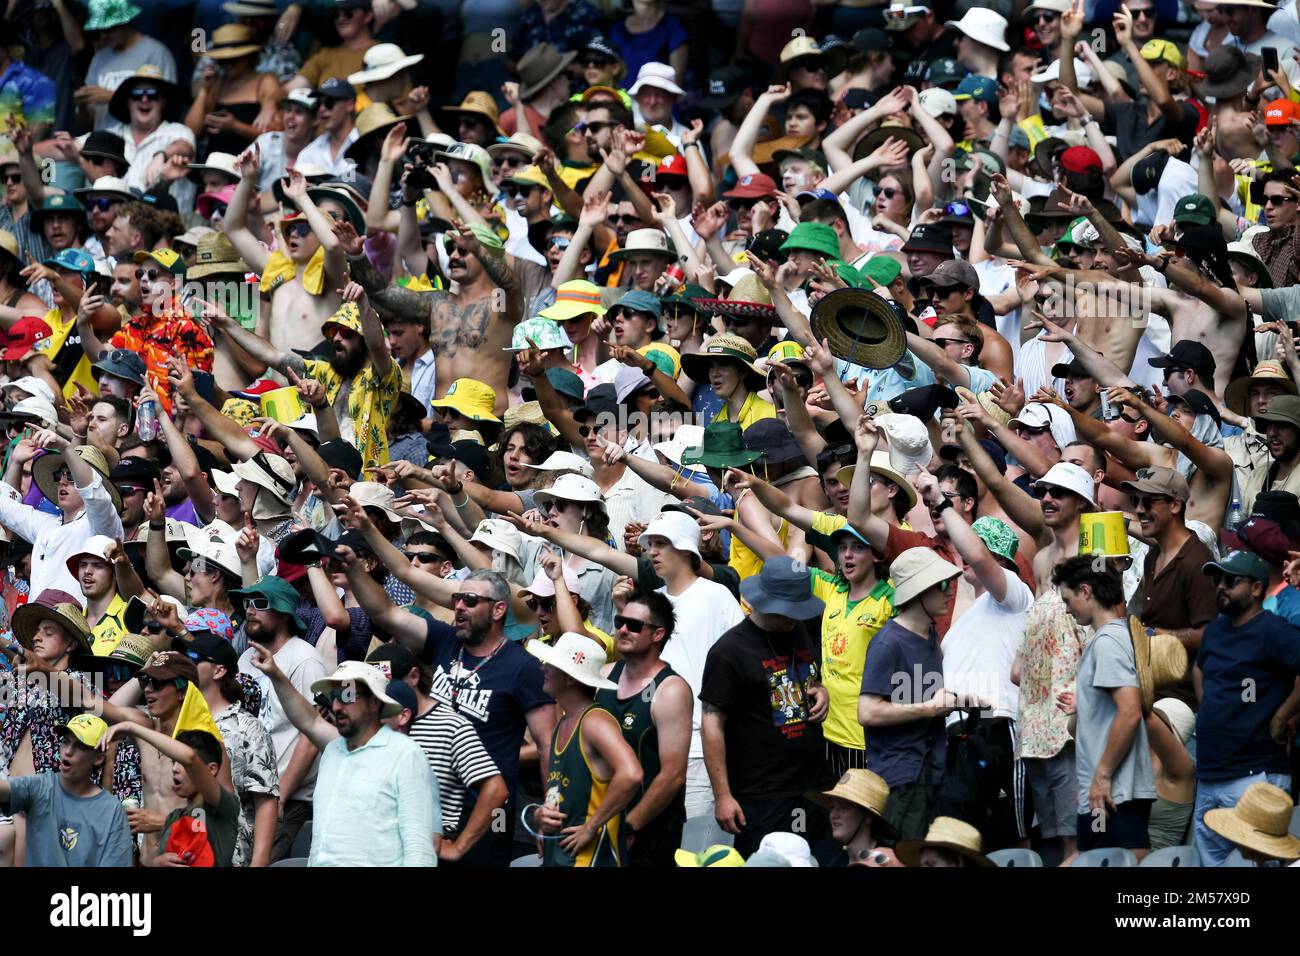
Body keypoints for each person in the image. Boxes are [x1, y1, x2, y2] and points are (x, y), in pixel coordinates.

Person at [346, 566, 556, 867]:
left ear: (498, 609)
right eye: (456, 599)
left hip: (485, 809)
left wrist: (548, 810)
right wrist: (352, 566)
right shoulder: (445, 641)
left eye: (469, 600)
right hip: (429, 802)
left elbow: (548, 744)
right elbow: (385, 613)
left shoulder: (523, 667)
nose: (458, 606)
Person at [700, 557, 833, 857]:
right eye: (786, 611)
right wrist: (722, 795)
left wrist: (821, 692)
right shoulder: (728, 652)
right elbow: (712, 724)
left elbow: (810, 677)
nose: (792, 617)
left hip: (816, 788)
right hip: (763, 797)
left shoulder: (798, 630)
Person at [249, 653, 437, 866]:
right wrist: (276, 674)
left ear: (375, 702)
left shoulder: (406, 754)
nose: (337, 706)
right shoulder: (332, 751)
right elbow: (308, 719)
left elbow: (419, 850)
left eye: (348, 695)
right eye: (334, 696)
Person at [1193, 549, 1300, 866]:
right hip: (1211, 773)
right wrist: (1209, 708)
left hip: (1254, 774)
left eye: (1230, 580)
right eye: (1217, 579)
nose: (1221, 586)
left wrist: (1284, 716)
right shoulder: (1215, 630)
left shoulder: (1274, 630)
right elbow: (1199, 668)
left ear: (1256, 588)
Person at [859, 547, 968, 841]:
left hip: (932, 772)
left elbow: (924, 694)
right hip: (899, 778)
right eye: (941, 585)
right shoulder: (888, 643)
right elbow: (867, 712)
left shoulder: (930, 634)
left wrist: (964, 702)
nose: (949, 591)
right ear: (919, 591)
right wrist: (930, 709)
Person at [1053, 556, 1156, 861]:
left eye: (1068, 599)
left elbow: (1130, 711)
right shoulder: (1108, 639)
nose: (1067, 609)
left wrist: (1103, 775)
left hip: (1114, 792)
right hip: (1102, 792)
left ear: (1086, 590)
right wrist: (1082, 706)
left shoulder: (1109, 641)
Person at [593, 589, 692, 866]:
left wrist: (630, 827)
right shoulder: (603, 676)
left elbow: (672, 775)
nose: (623, 630)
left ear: (658, 635)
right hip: (601, 822)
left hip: (648, 832)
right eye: (619, 622)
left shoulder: (671, 690)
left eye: (634, 626)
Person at [233, 576, 328, 862]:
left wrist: (281, 796)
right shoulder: (246, 657)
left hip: (288, 797)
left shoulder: (304, 659)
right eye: (247, 603)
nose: (249, 609)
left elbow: (312, 735)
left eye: (260, 603)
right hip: (249, 793)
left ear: (284, 612)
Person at [528, 632, 643, 867]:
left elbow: (632, 774)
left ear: (570, 678)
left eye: (551, 664)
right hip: (560, 857)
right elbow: (561, 791)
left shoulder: (594, 721)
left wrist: (592, 826)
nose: (543, 669)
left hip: (591, 860)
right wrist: (542, 817)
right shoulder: (564, 722)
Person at [182, 631, 279, 868]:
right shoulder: (174, 718)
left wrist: (260, 861)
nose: (186, 664)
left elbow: (265, 799)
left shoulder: (247, 726)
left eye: (194, 658)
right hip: (179, 849)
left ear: (219, 670)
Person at [100, 723, 240, 868]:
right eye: (173, 762)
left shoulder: (224, 807)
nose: (174, 769)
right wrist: (157, 863)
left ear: (211, 769)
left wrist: (130, 727)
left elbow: (190, 757)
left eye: (182, 764)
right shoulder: (174, 819)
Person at [0, 714, 131, 867]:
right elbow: (4, 790)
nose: (68, 751)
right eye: (65, 742)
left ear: (98, 758)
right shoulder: (41, 786)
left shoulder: (112, 810)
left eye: (80, 746)